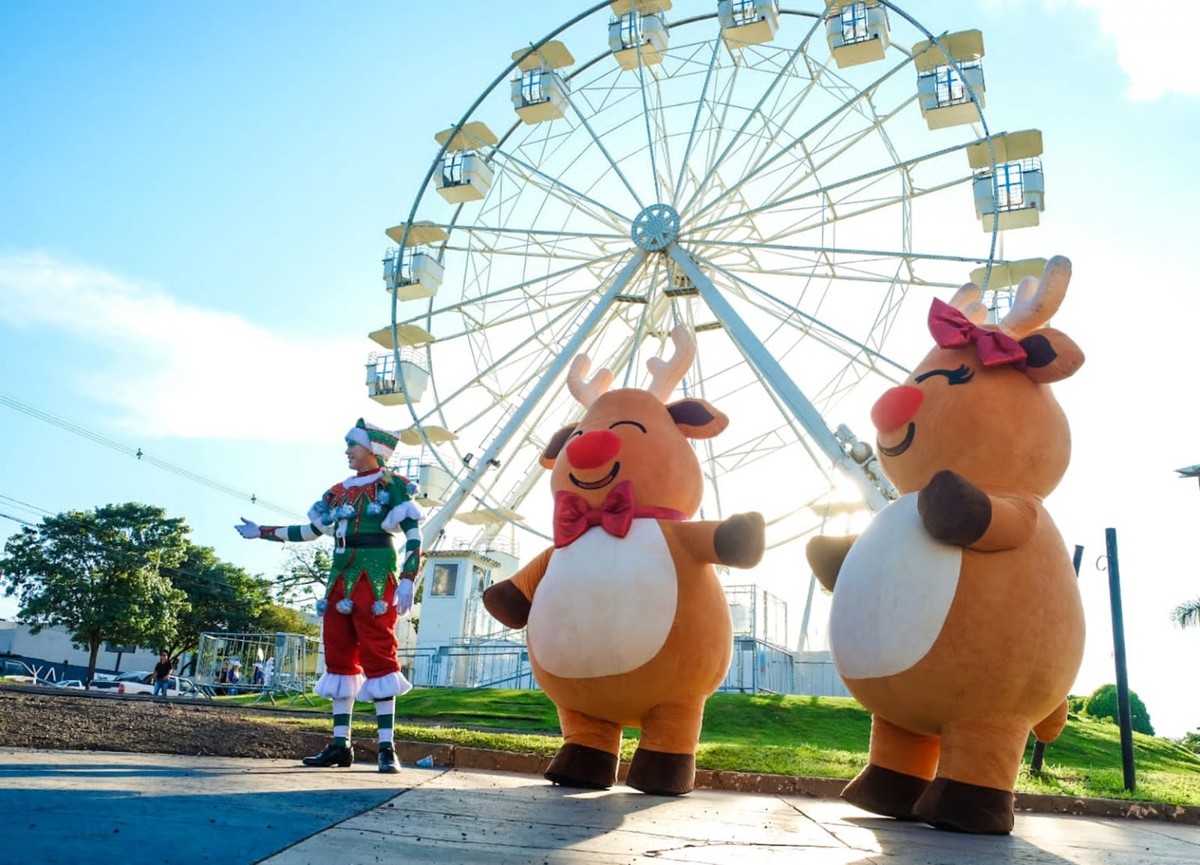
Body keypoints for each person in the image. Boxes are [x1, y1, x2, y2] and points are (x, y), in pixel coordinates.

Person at [236, 418, 423, 774]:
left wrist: (408, 579)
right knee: (338, 655)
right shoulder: (337, 491)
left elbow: (414, 536)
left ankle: (387, 748)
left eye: (353, 445)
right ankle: (341, 745)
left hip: (376, 575)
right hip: (339, 578)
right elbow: (310, 531)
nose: (347, 451)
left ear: (374, 450)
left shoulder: (394, 486)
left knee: (380, 654)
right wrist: (262, 531)